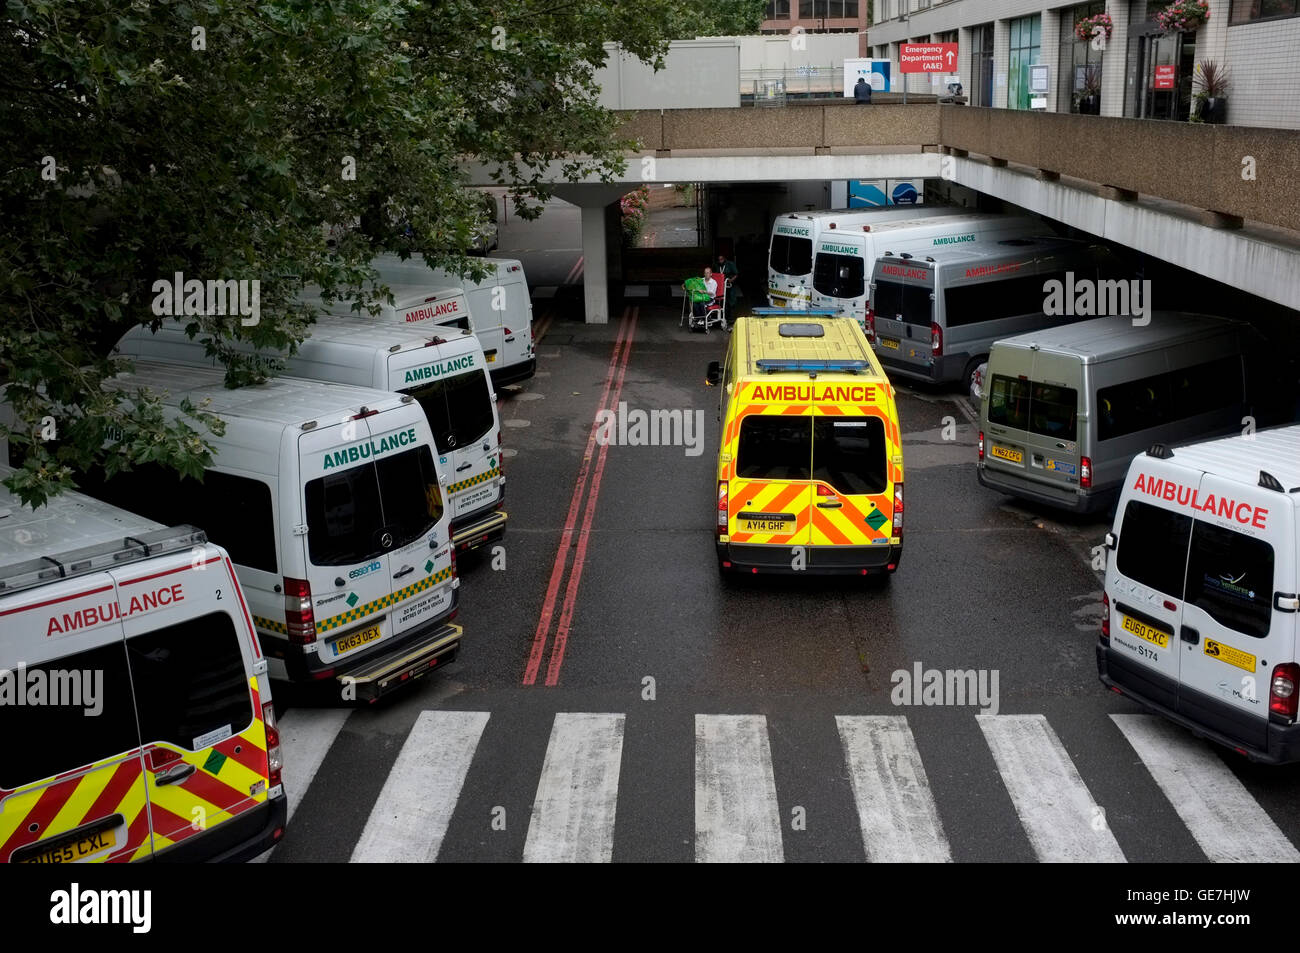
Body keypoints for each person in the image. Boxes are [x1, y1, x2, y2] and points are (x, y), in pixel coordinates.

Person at [715, 252, 739, 326]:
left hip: (730, 286)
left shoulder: (730, 264)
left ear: (724, 259)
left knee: (731, 301)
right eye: (719, 260)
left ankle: (731, 319)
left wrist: (731, 280)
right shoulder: (716, 265)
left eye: (721, 259)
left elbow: (736, 274)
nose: (720, 261)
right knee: (722, 301)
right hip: (721, 286)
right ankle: (723, 317)